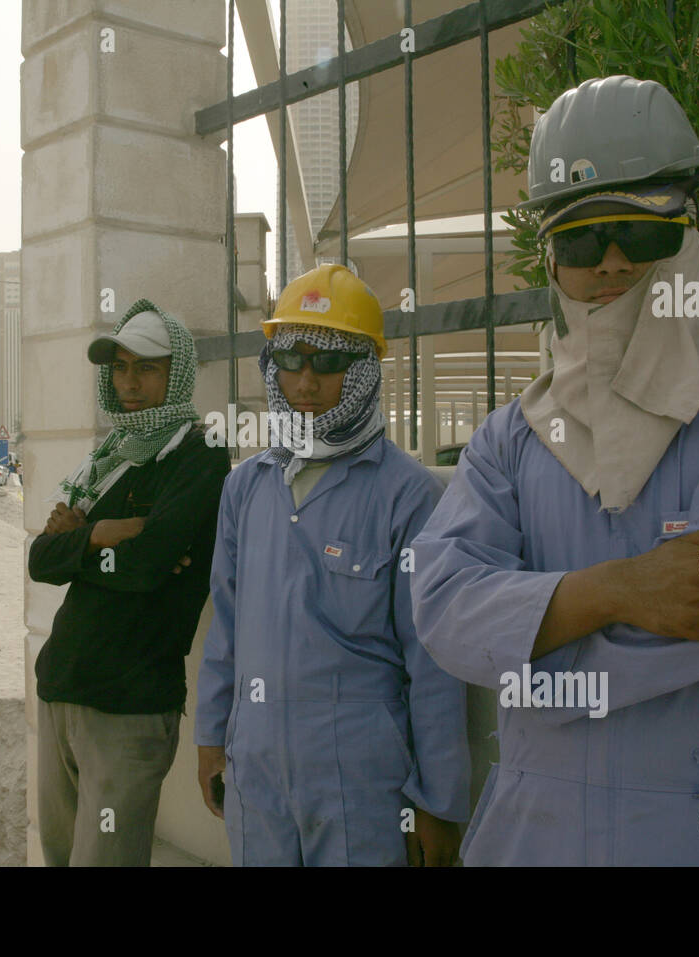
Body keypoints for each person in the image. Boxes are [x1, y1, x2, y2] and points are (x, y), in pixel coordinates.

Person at [410, 75, 699, 865]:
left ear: (687, 232)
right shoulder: (514, 436)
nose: (609, 261)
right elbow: (440, 608)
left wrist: (523, 649)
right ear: (551, 258)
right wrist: (614, 591)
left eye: (637, 232)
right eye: (580, 239)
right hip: (531, 837)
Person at [195, 264, 470, 866]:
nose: (306, 381)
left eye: (329, 362)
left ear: (365, 369)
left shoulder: (407, 494)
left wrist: (439, 801)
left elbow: (433, 661)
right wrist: (210, 735)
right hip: (257, 771)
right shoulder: (246, 488)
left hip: (362, 783)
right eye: (290, 360)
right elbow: (229, 627)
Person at [27, 299, 230, 866]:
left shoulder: (200, 452)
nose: (130, 383)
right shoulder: (110, 456)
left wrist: (82, 541)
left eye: (146, 367)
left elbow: (145, 567)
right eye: (119, 367)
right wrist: (99, 536)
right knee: (59, 856)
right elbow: (41, 561)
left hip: (128, 704)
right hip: (60, 687)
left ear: (178, 371)